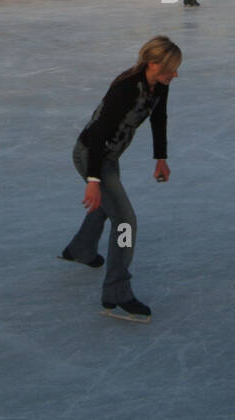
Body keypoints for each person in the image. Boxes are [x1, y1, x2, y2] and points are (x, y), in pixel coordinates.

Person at [59, 36, 181, 322]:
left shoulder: (158, 86)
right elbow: (99, 132)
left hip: (108, 157)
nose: (175, 74)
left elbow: (158, 118)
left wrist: (160, 158)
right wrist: (93, 179)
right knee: (125, 220)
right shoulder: (126, 88)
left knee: (109, 205)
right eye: (171, 69)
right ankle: (116, 292)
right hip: (91, 154)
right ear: (153, 64)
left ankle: (81, 249)